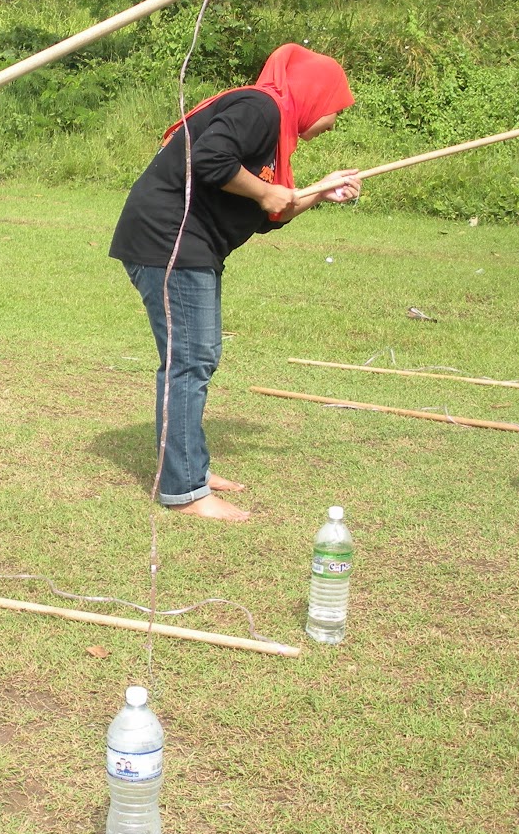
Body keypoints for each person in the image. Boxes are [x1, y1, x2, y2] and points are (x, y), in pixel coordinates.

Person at [109, 43, 361, 523]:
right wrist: (268, 190)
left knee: (195, 359)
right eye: (335, 111)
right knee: (191, 360)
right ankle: (185, 489)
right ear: (314, 95)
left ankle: (188, 469)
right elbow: (209, 160)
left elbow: (267, 213)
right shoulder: (260, 108)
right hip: (170, 241)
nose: (331, 124)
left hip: (184, 245)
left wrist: (318, 193)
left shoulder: (274, 130)